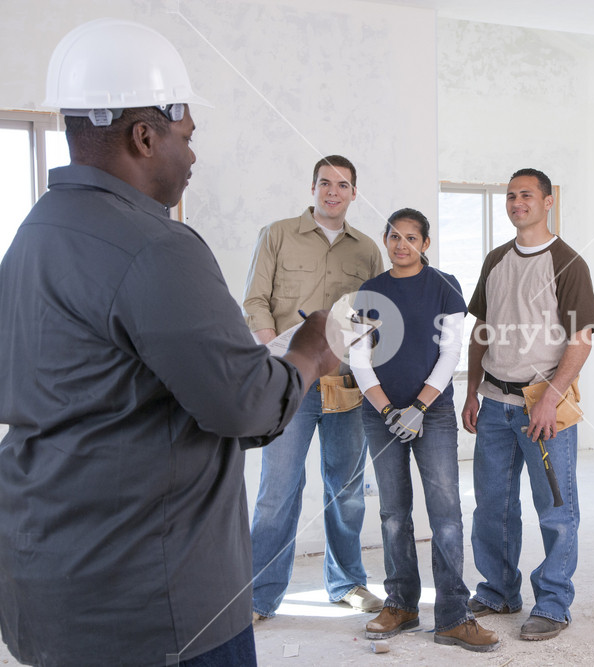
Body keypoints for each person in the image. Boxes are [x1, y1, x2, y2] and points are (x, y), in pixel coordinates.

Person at [0, 18, 339, 667]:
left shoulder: (32, 236)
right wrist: (311, 349)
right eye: (186, 137)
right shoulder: (156, 247)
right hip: (157, 610)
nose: (193, 156)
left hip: (46, 587)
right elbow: (247, 407)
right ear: (144, 134)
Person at [461, 168, 594, 641]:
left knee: (556, 510)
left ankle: (554, 603)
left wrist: (551, 399)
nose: (517, 202)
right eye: (511, 195)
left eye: (527, 194)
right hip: (495, 404)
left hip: (544, 407)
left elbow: (581, 340)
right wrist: (470, 391)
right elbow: (480, 331)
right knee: (492, 507)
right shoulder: (496, 260)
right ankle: (499, 590)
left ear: (547, 202)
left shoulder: (568, 262)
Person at [350, 208, 499, 652]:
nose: (401, 244)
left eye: (411, 237)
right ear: (385, 239)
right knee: (394, 514)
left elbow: (450, 353)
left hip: (431, 414)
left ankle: (453, 615)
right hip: (380, 413)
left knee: (446, 515)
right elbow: (359, 356)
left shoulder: (445, 286)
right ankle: (402, 604)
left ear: (425, 244)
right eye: (394, 236)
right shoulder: (369, 291)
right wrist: (388, 409)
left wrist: (417, 407)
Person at [242, 155, 384, 619]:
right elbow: (255, 303)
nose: (332, 192)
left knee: (345, 490)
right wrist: (282, 361)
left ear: (353, 194)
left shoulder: (366, 250)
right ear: (312, 188)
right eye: (325, 183)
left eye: (342, 185)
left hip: (346, 387)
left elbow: (374, 318)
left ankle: (346, 583)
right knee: (277, 491)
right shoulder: (278, 235)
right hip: (288, 387)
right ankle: (259, 597)